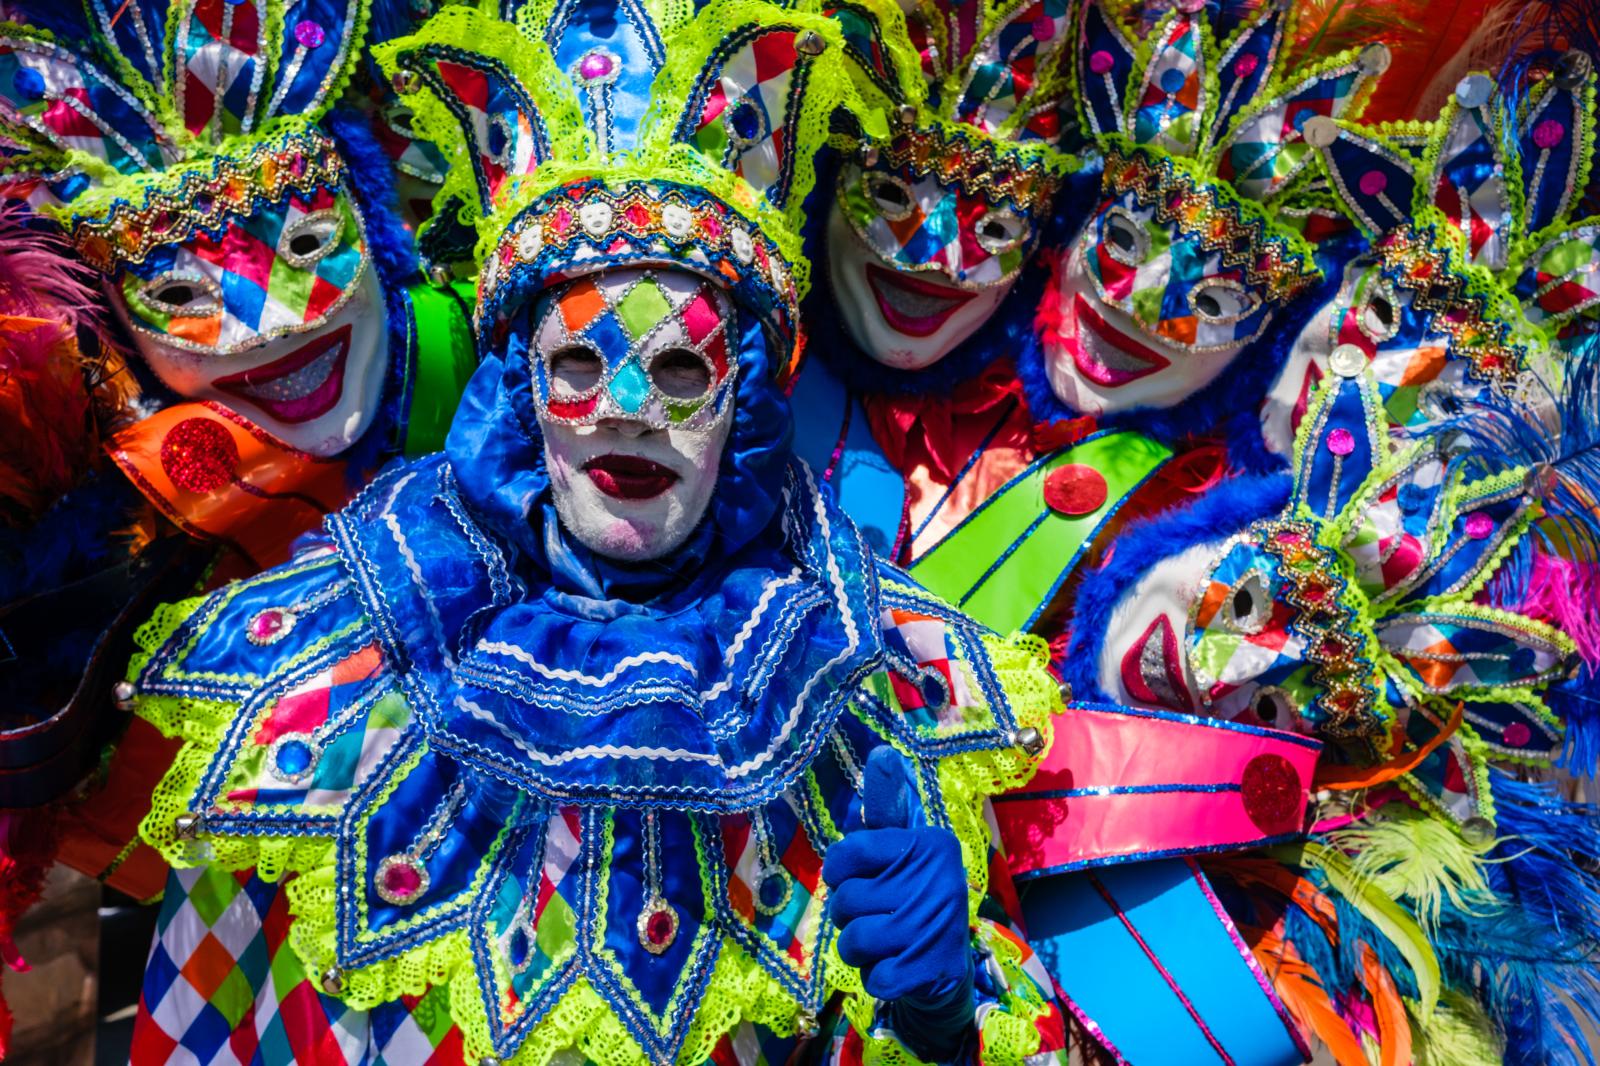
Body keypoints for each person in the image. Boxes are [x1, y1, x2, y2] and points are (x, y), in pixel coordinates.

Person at [119, 2, 1070, 1061]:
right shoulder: (333, 647)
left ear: (747, 403)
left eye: (679, 370)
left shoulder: (871, 660)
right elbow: (213, 1018)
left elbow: (1015, 1026)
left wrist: (945, 1020)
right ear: (519, 388)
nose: (626, 413)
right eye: (578, 364)